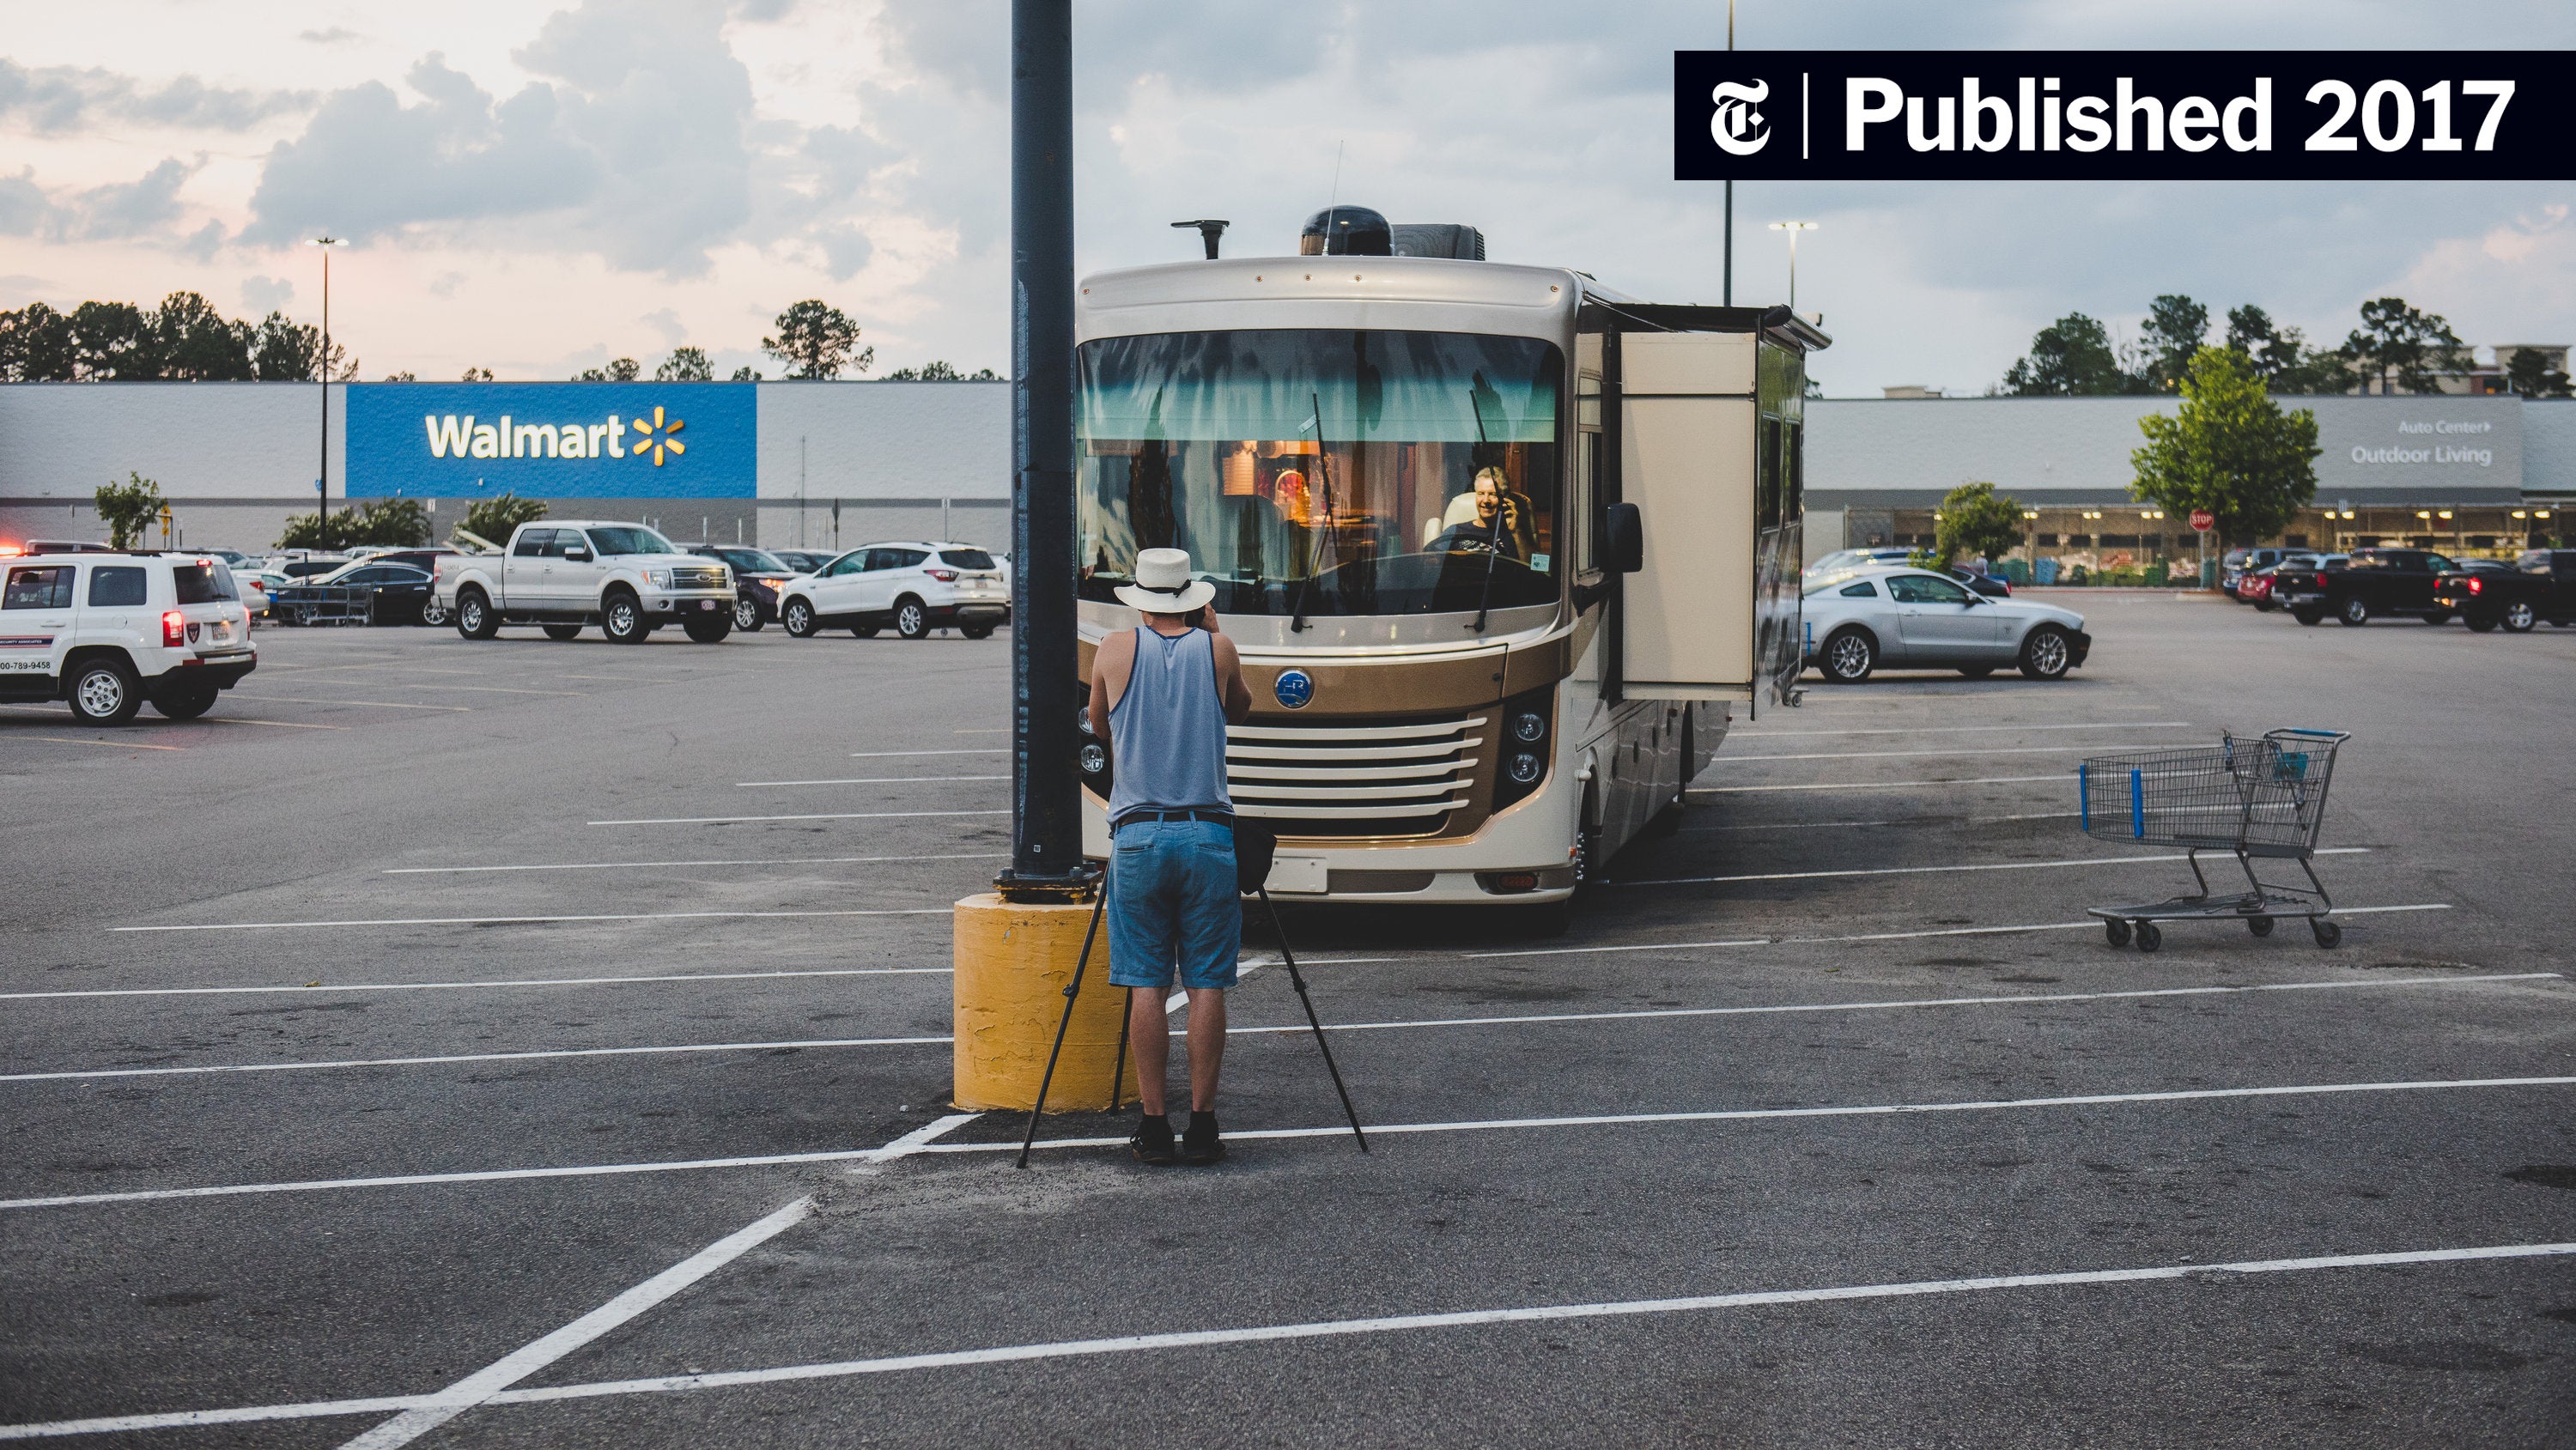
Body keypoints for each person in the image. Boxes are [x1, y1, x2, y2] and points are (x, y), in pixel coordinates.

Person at [1089, 547, 1255, 1164]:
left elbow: (1100, 726)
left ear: (1138, 596)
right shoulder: (1219, 648)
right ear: (1194, 597)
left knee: (1146, 984)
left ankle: (1155, 1124)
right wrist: (1214, 633)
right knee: (1208, 981)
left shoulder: (1111, 648)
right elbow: (1242, 709)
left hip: (1138, 836)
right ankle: (1204, 1122)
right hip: (1207, 834)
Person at [1429, 467, 1529, 561]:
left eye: (1493, 494)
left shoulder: (1515, 534)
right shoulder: (1455, 531)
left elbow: (1533, 570)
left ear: (1505, 499)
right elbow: (1430, 565)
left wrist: (1516, 531)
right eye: (1481, 494)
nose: (1486, 500)